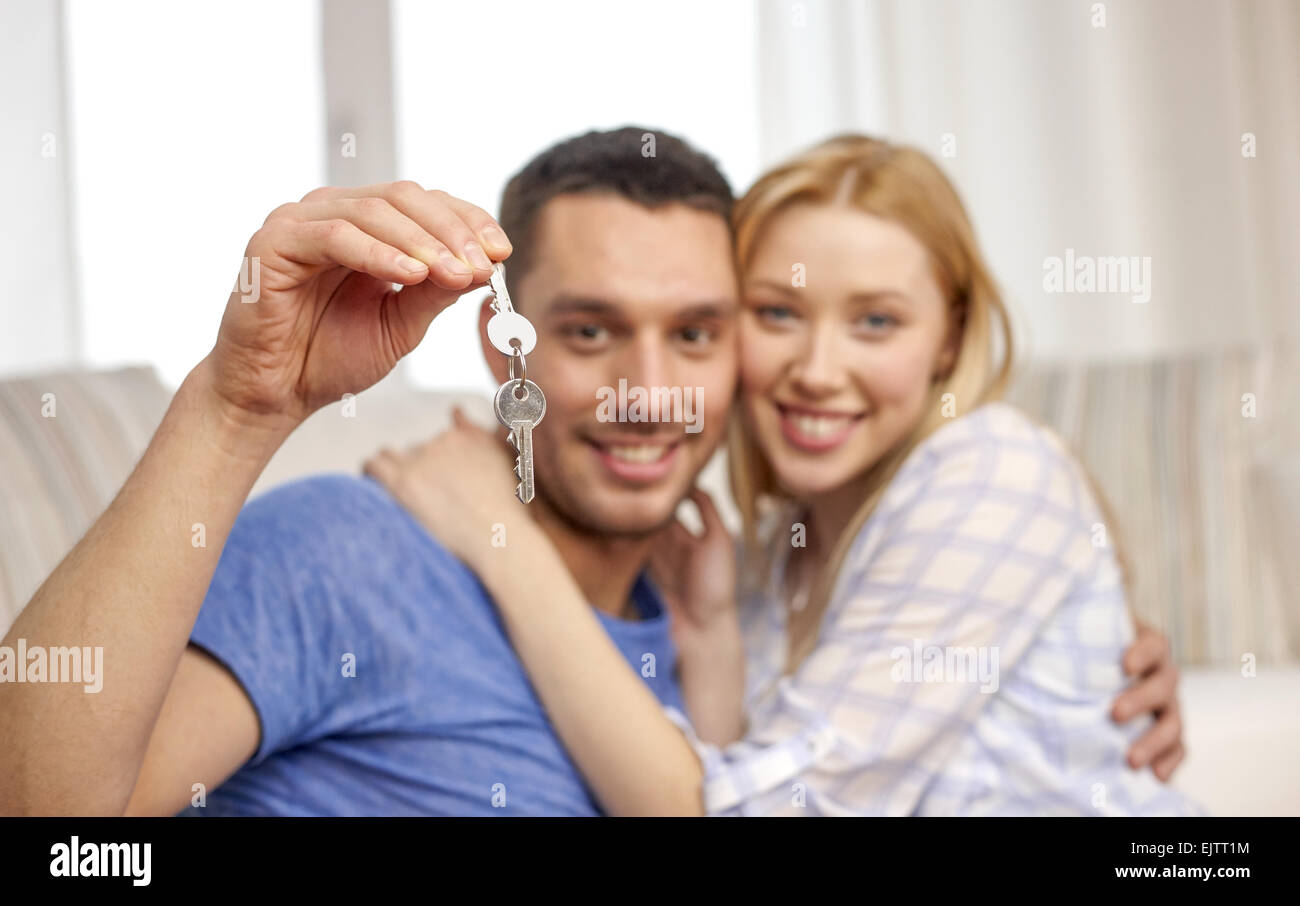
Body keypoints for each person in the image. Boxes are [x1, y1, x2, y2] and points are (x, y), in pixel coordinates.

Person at [0, 127, 1182, 817]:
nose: (648, 388)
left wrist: (1078, 673)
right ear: (503, 341)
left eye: (698, 330)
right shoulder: (353, 551)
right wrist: (234, 408)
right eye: (587, 331)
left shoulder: (719, 634)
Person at [366, 133, 1195, 815]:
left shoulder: (989, 469)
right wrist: (718, 636)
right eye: (777, 314)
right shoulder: (770, 552)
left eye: (875, 321)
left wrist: (498, 540)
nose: (818, 370)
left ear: (950, 337)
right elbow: (736, 768)